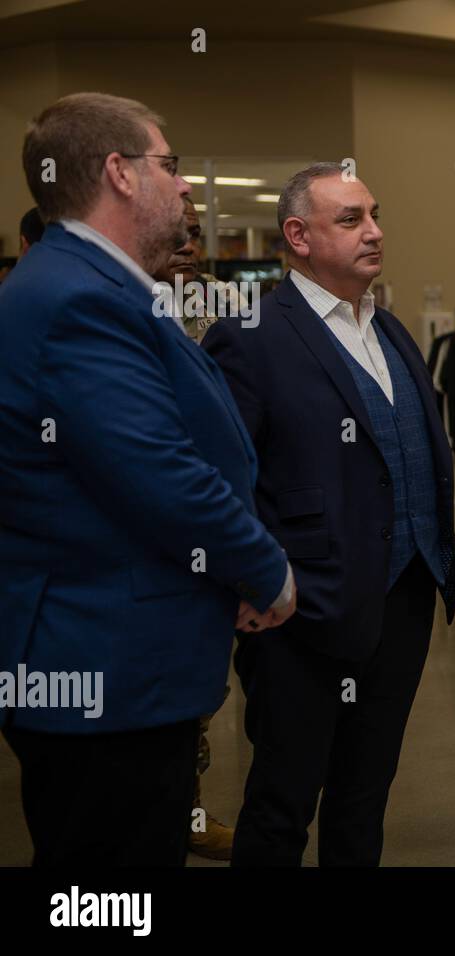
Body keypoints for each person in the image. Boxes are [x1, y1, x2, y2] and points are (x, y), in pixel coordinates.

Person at [0, 92, 295, 867]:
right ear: (119, 174)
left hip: (123, 655)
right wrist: (263, 569)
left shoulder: (103, 282)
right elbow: (157, 471)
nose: (186, 184)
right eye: (169, 164)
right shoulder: (77, 298)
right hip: (102, 666)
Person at [202, 162, 455, 867]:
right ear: (298, 235)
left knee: (365, 793)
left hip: (404, 595)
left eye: (375, 215)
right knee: (284, 800)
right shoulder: (252, 335)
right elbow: (223, 476)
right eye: (351, 220)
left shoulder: (390, 328)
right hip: (302, 611)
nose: (375, 232)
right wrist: (251, 582)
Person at [150, 193, 235, 860]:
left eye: (196, 235)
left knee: (204, 676)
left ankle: (189, 813)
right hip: (145, 517)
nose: (188, 246)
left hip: (216, 513)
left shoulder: (225, 305)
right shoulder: (118, 300)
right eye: (178, 234)